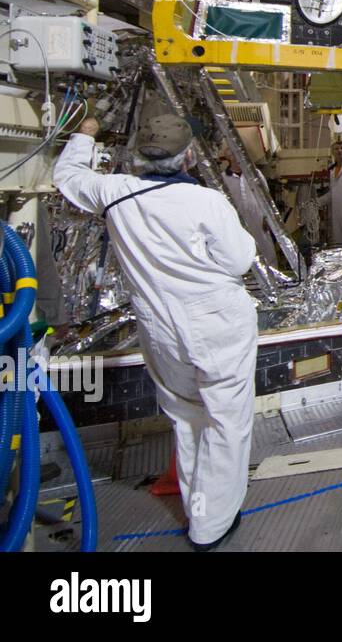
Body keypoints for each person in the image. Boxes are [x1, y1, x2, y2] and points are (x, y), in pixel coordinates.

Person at [54, 114, 257, 551]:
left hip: (161, 327)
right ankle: (212, 523)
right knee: (227, 418)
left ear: (137, 154)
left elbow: (68, 176)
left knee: (186, 417)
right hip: (218, 324)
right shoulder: (206, 203)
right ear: (187, 156)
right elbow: (240, 260)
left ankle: (198, 505)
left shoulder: (115, 194)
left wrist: (85, 134)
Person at [219, 151, 278, 266]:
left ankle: (273, 275)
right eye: (234, 155)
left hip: (258, 219)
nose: (238, 159)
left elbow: (266, 196)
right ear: (229, 157)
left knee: (266, 249)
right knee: (240, 249)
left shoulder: (255, 174)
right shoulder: (223, 178)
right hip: (236, 221)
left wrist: (268, 218)